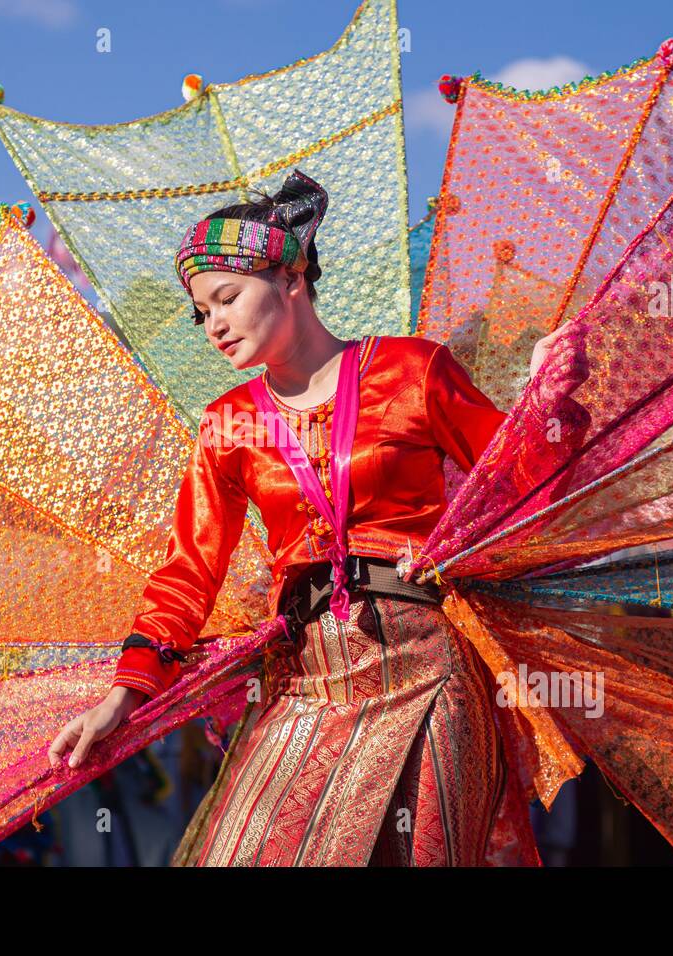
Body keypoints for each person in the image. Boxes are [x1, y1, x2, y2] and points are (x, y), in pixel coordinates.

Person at [48, 169, 589, 865]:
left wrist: (545, 404)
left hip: (428, 669)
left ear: (292, 278)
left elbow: (519, 487)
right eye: (200, 311)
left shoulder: (413, 371)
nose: (212, 324)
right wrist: (123, 697)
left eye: (226, 298)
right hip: (306, 679)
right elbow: (188, 572)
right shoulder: (227, 425)